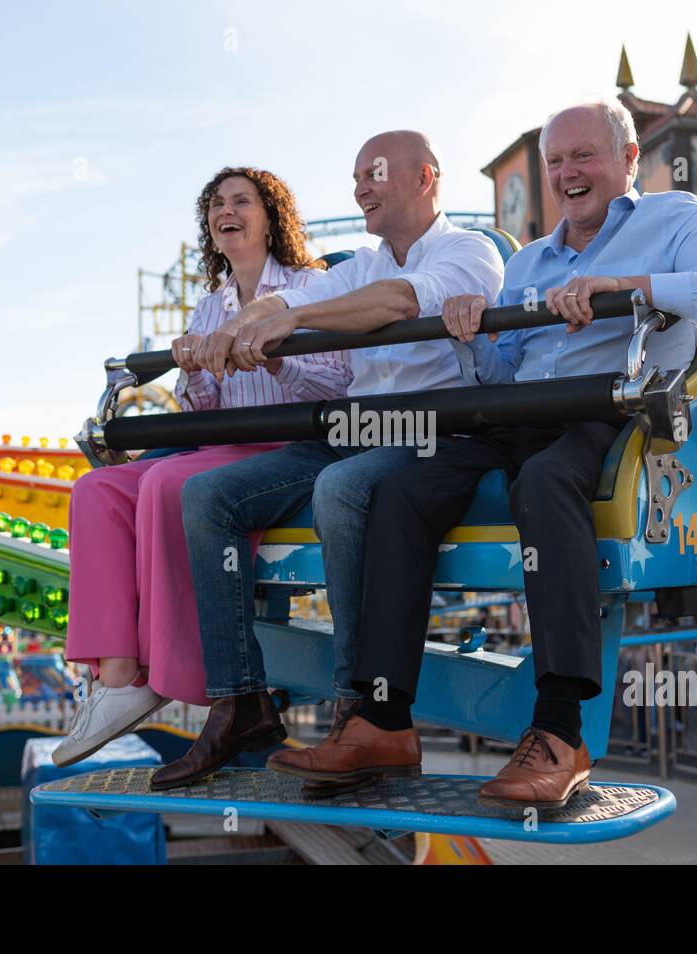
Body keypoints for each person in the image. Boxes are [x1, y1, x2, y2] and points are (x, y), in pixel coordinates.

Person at [267, 101, 697, 808]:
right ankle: (384, 719)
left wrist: (633, 288)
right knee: (398, 493)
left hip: (604, 412)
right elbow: (501, 370)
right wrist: (469, 335)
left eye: (585, 156)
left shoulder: (676, 219)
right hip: (510, 415)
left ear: (628, 161)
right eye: (557, 162)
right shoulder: (532, 259)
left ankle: (560, 731)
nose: (569, 173)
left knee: (544, 482)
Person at [148, 130, 505, 791]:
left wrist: (286, 323)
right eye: (354, 178)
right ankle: (240, 700)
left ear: (427, 177)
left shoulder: (468, 251)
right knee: (205, 496)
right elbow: (297, 297)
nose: (359, 188)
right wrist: (252, 321)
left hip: (425, 432)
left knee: (341, 489)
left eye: (373, 174)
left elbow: (398, 301)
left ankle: (355, 710)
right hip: (351, 429)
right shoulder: (361, 263)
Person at [54, 167, 351, 767]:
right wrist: (193, 374)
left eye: (242, 201)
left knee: (165, 480)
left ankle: (172, 670)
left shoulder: (310, 286)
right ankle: (117, 679)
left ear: (271, 217)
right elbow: (202, 410)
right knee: (96, 490)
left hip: (291, 446)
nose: (226, 211)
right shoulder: (210, 307)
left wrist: (276, 362)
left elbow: (341, 379)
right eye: (217, 204)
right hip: (222, 445)